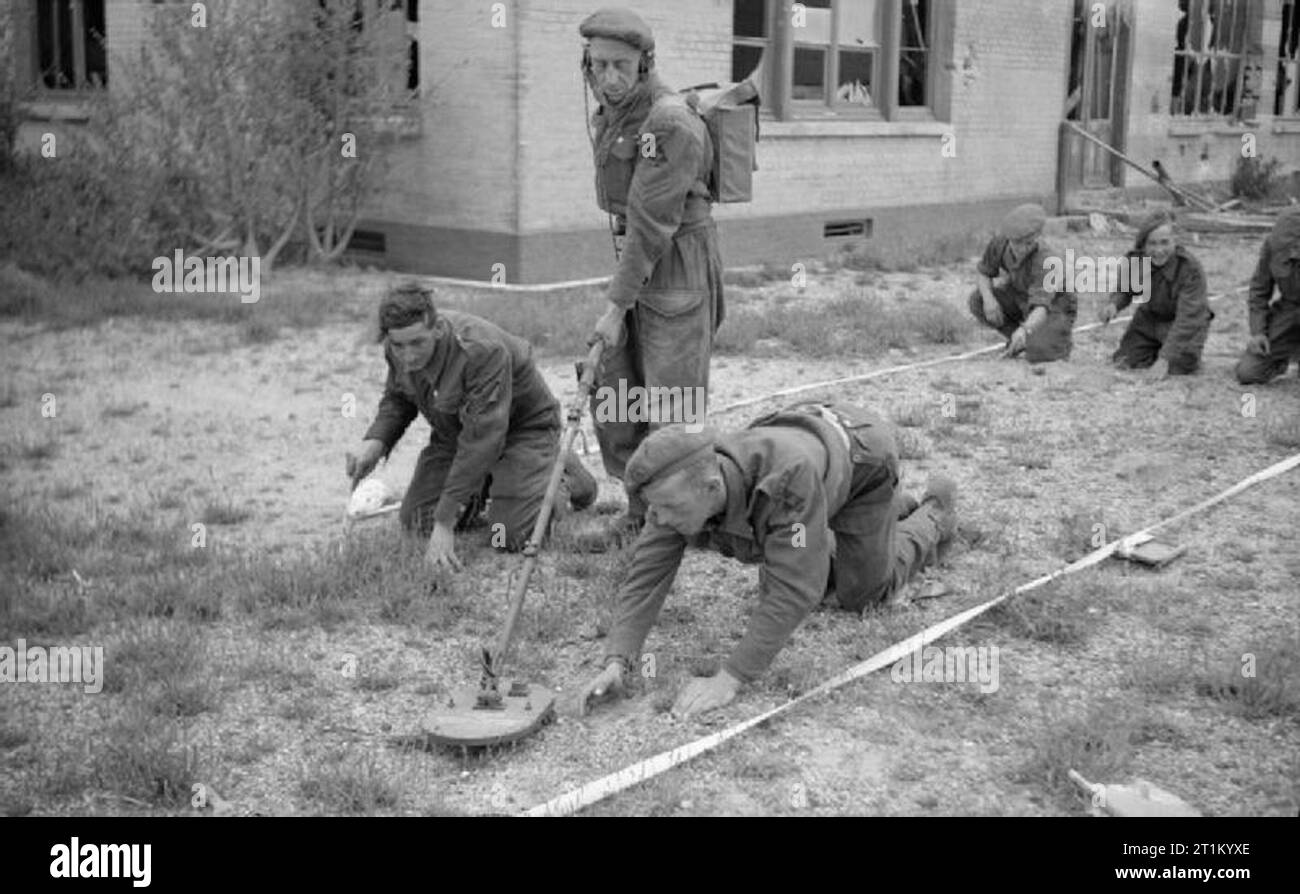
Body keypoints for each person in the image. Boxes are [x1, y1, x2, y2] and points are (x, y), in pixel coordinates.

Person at [573, 403, 958, 720]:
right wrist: (618, 660)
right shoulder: (673, 490)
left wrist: (729, 678)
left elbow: (795, 590)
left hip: (863, 464)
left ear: (712, 488)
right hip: (807, 454)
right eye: (657, 509)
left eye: (670, 509)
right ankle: (879, 524)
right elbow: (646, 574)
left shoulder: (785, 484)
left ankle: (933, 514)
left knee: (862, 594)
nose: (661, 519)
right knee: (800, 556)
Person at [577, 7, 725, 546]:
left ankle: (680, 519)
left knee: (671, 397)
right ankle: (642, 509)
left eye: (621, 65)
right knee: (619, 387)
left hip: (675, 261)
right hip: (638, 259)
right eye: (598, 66)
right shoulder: (611, 114)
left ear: (645, 64)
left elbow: (651, 222)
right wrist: (621, 298)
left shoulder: (668, 122)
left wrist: (615, 308)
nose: (608, 78)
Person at [345, 283, 597, 570]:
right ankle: (492, 481)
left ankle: (564, 473)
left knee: (512, 535)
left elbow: (483, 439)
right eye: (399, 346)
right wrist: (375, 443)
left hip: (522, 431)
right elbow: (399, 398)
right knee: (417, 521)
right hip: (456, 434)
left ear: (438, 328)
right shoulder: (398, 346)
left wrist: (446, 521)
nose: (408, 355)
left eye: (417, 344)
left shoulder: (482, 350)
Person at [1100, 211, 1213, 375]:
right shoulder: (1136, 261)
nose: (1158, 250)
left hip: (1182, 325)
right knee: (1124, 361)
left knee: (1178, 367)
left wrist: (1165, 359)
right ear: (1143, 245)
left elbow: (1188, 319)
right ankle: (1155, 351)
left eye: (1164, 243)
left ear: (1175, 241)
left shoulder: (1190, 269)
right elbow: (1125, 290)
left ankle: (1165, 354)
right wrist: (1113, 305)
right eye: (1152, 244)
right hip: (1149, 320)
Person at [967, 203, 1078, 362]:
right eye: (1017, 243)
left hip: (1056, 305)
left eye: (1028, 243)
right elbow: (983, 273)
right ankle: (1018, 339)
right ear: (1009, 238)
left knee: (1039, 355)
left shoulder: (1048, 260)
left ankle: (1053, 342)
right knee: (977, 300)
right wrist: (989, 300)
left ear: (1037, 237)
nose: (1022, 248)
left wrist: (1025, 330)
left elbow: (1041, 307)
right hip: (1022, 295)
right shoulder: (1000, 243)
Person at [1235, 206, 1300, 385]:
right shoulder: (1273, 245)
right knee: (1248, 373)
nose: (1291, 255)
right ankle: (1282, 359)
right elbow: (1259, 290)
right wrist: (1258, 332)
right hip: (1289, 312)